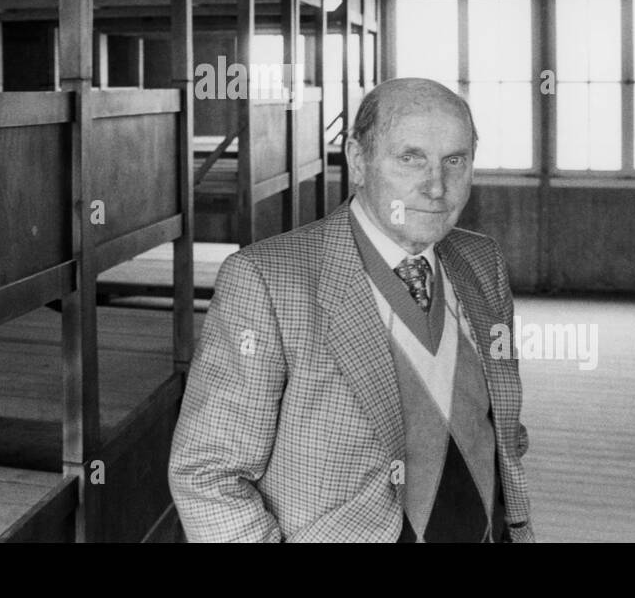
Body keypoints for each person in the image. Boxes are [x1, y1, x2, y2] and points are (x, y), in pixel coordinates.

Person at [169, 77, 533, 542]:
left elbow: (501, 424)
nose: (437, 187)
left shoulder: (482, 262)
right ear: (359, 161)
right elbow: (207, 473)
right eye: (411, 158)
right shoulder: (267, 280)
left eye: (455, 161)